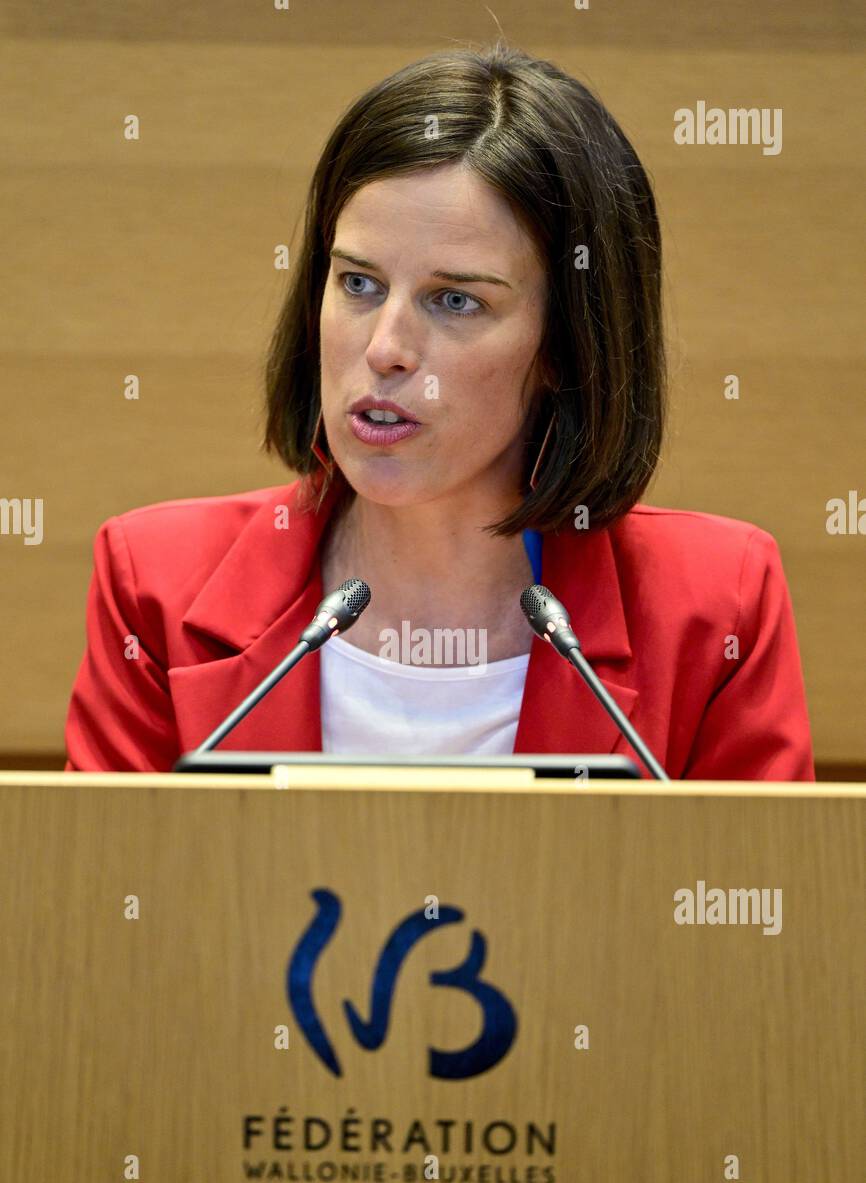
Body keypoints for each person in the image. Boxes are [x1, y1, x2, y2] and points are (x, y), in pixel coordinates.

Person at [64, 42, 814, 778]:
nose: (385, 348)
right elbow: (108, 862)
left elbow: (754, 860)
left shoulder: (716, 608)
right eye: (358, 284)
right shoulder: (156, 586)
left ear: (565, 345)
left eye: (455, 301)